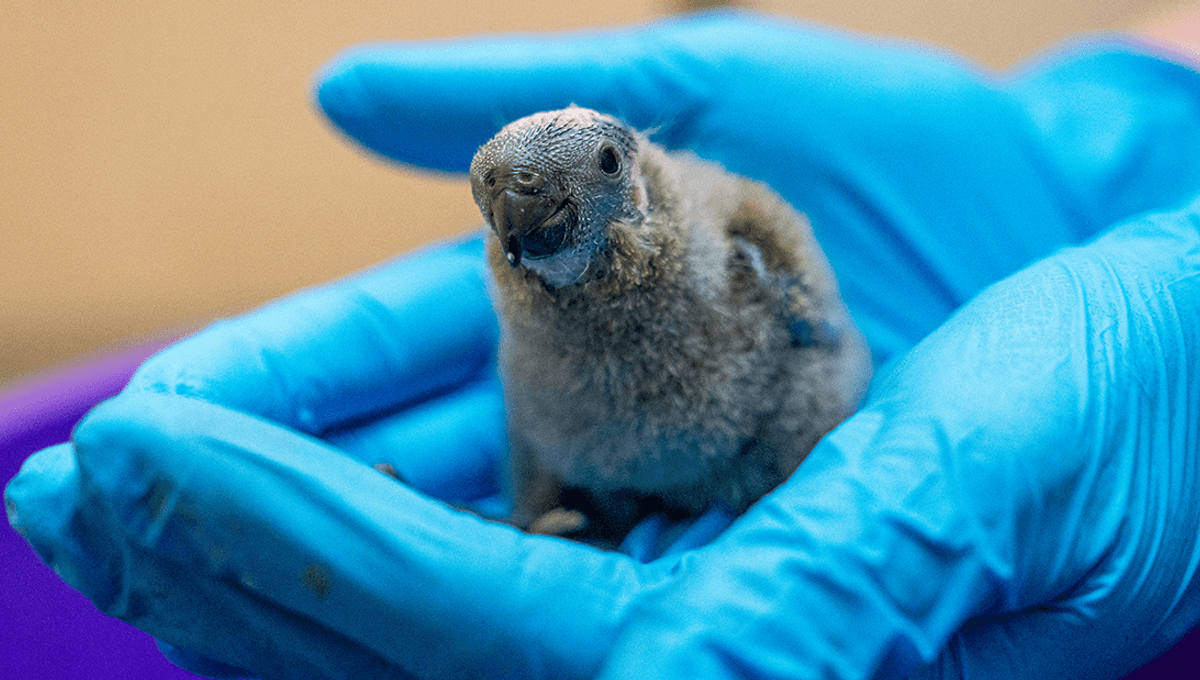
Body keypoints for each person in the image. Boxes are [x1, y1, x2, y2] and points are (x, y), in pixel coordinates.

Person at [7, 9, 1200, 679]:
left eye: (591, 177)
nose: (531, 220)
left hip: (782, 428)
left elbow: (788, 277)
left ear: (632, 165)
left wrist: (805, 310)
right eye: (504, 204)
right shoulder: (522, 309)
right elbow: (533, 412)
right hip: (601, 452)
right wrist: (1157, 101)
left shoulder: (721, 220)